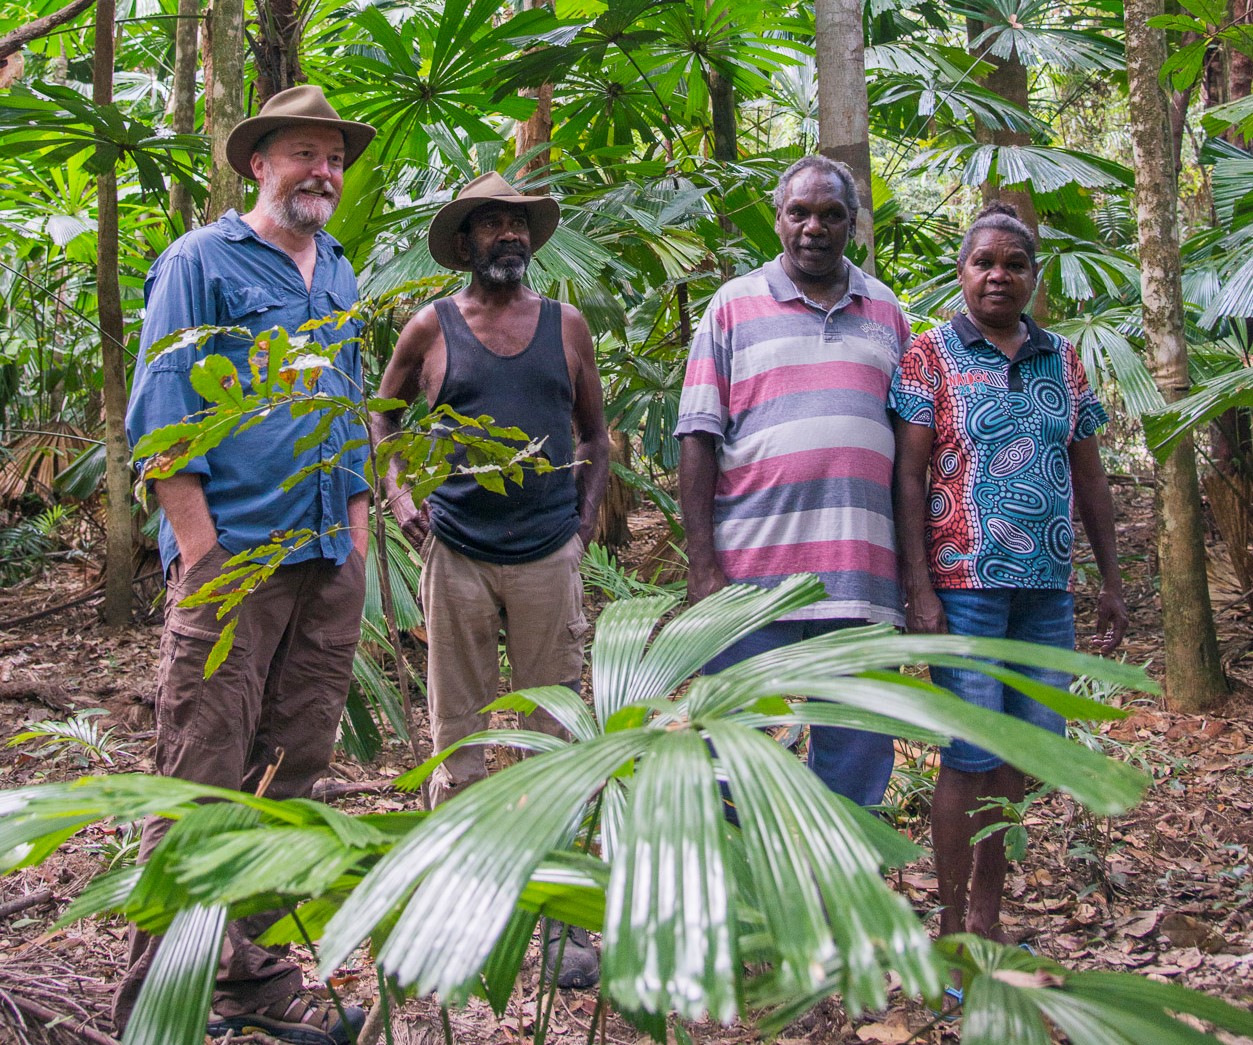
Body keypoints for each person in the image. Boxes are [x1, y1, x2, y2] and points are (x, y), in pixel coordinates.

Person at [119, 85, 376, 1045]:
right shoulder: (200, 262)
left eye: (334, 157)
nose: (322, 171)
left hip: (324, 557)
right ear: (259, 162)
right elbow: (164, 416)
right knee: (203, 767)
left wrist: (353, 536)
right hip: (236, 557)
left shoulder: (339, 273)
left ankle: (248, 975)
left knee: (292, 765)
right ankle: (163, 997)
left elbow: (347, 410)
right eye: (304, 153)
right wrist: (201, 551)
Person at [370, 172, 609, 987]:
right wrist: (401, 499)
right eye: (489, 224)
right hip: (458, 550)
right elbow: (383, 413)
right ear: (464, 242)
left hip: (546, 551)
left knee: (553, 735)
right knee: (458, 735)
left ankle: (560, 918)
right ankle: (455, 906)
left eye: (517, 224)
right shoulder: (429, 328)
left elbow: (595, 433)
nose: (507, 235)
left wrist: (581, 523)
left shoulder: (565, 326)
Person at [890, 202, 1128, 968]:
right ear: (962, 272)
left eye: (1013, 263)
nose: (997, 275)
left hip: (1044, 592)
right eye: (982, 262)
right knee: (967, 755)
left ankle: (990, 916)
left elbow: (1088, 475)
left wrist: (1110, 581)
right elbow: (907, 474)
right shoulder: (930, 354)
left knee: (1019, 754)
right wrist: (918, 587)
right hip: (963, 586)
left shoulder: (1062, 359)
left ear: (1032, 276)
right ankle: (954, 928)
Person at [675, 155, 910, 808]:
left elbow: (910, 448)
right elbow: (696, 438)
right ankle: (747, 895)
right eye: (798, 212)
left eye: (831, 213)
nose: (814, 226)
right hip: (753, 578)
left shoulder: (887, 311)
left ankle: (835, 891)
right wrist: (702, 569)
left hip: (860, 574)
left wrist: (912, 575)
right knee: (738, 753)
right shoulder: (731, 306)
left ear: (853, 224)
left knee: (856, 753)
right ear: (777, 221)